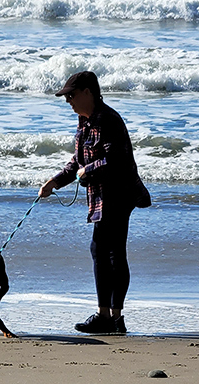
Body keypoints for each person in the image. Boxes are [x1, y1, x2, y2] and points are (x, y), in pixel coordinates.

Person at [39, 71, 151, 335]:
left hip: (120, 193)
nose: (68, 100)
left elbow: (116, 161)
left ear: (88, 92)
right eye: (66, 96)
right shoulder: (84, 121)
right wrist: (54, 182)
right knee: (103, 251)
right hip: (100, 196)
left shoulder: (108, 119)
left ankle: (110, 317)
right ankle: (112, 318)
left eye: (72, 95)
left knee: (108, 251)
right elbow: (76, 162)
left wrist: (86, 172)